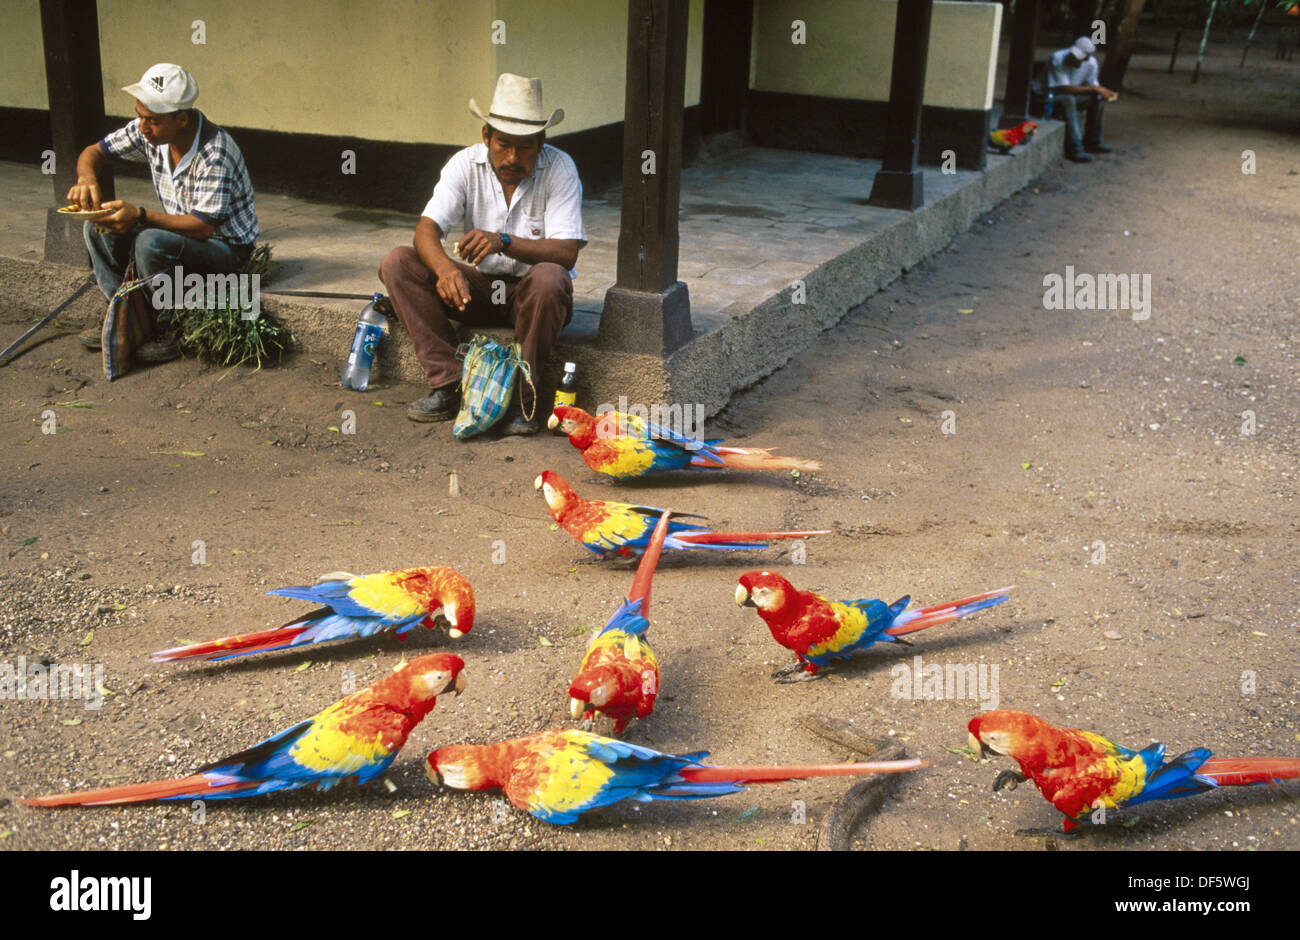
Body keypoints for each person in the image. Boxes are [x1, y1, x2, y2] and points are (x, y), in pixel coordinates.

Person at [380, 73, 586, 434]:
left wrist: (503, 241)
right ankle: (448, 383)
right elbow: (426, 230)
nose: (512, 157)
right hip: (478, 289)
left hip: (535, 298)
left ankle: (525, 397)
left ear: (541, 142)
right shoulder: (463, 164)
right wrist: (445, 269)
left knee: (550, 276)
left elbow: (566, 252)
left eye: (524, 146)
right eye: (503, 144)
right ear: (486, 137)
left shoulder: (561, 168)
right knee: (398, 263)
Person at [70, 63, 259, 363]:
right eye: (140, 116)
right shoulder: (149, 131)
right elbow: (93, 152)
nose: (143, 127)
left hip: (226, 249)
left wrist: (139, 216)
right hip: (182, 234)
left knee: (149, 241)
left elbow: (202, 228)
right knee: (96, 227)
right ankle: (122, 313)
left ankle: (168, 327)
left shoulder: (216, 151)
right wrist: (87, 178)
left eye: (152, 121)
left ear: (182, 118)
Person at [1047, 38, 1118, 163]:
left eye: (1079, 58)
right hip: (1051, 94)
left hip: (1074, 94)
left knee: (1098, 98)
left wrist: (1101, 91)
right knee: (1067, 100)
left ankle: (1093, 141)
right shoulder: (1057, 58)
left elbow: (1093, 85)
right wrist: (1094, 88)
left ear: (1087, 58)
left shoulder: (1091, 63)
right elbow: (1064, 89)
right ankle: (1075, 148)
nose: (1075, 60)